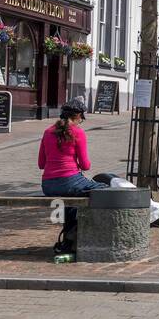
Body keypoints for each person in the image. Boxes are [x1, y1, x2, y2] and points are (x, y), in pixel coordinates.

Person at [38, 97, 106, 251]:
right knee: (104, 188)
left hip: (48, 185)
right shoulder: (77, 132)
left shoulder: (48, 132)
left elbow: (41, 164)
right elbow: (85, 165)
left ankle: (69, 238)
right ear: (77, 116)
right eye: (82, 118)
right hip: (70, 181)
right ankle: (84, 235)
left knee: (72, 202)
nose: (81, 121)